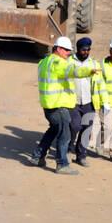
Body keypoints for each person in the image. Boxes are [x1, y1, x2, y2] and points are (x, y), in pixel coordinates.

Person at [29, 37, 81, 175]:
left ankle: (37, 156)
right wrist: (89, 70)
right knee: (64, 135)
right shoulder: (58, 62)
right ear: (58, 49)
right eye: (66, 50)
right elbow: (73, 70)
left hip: (48, 105)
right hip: (58, 106)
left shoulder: (44, 62)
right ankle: (62, 164)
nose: (68, 53)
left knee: (53, 130)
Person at [69, 37, 104, 166]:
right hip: (73, 101)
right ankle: (68, 150)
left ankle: (81, 156)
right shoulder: (69, 62)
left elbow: (100, 84)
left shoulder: (94, 64)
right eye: (84, 50)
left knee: (87, 129)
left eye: (88, 50)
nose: (86, 52)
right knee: (74, 126)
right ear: (78, 49)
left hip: (89, 102)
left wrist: (104, 101)